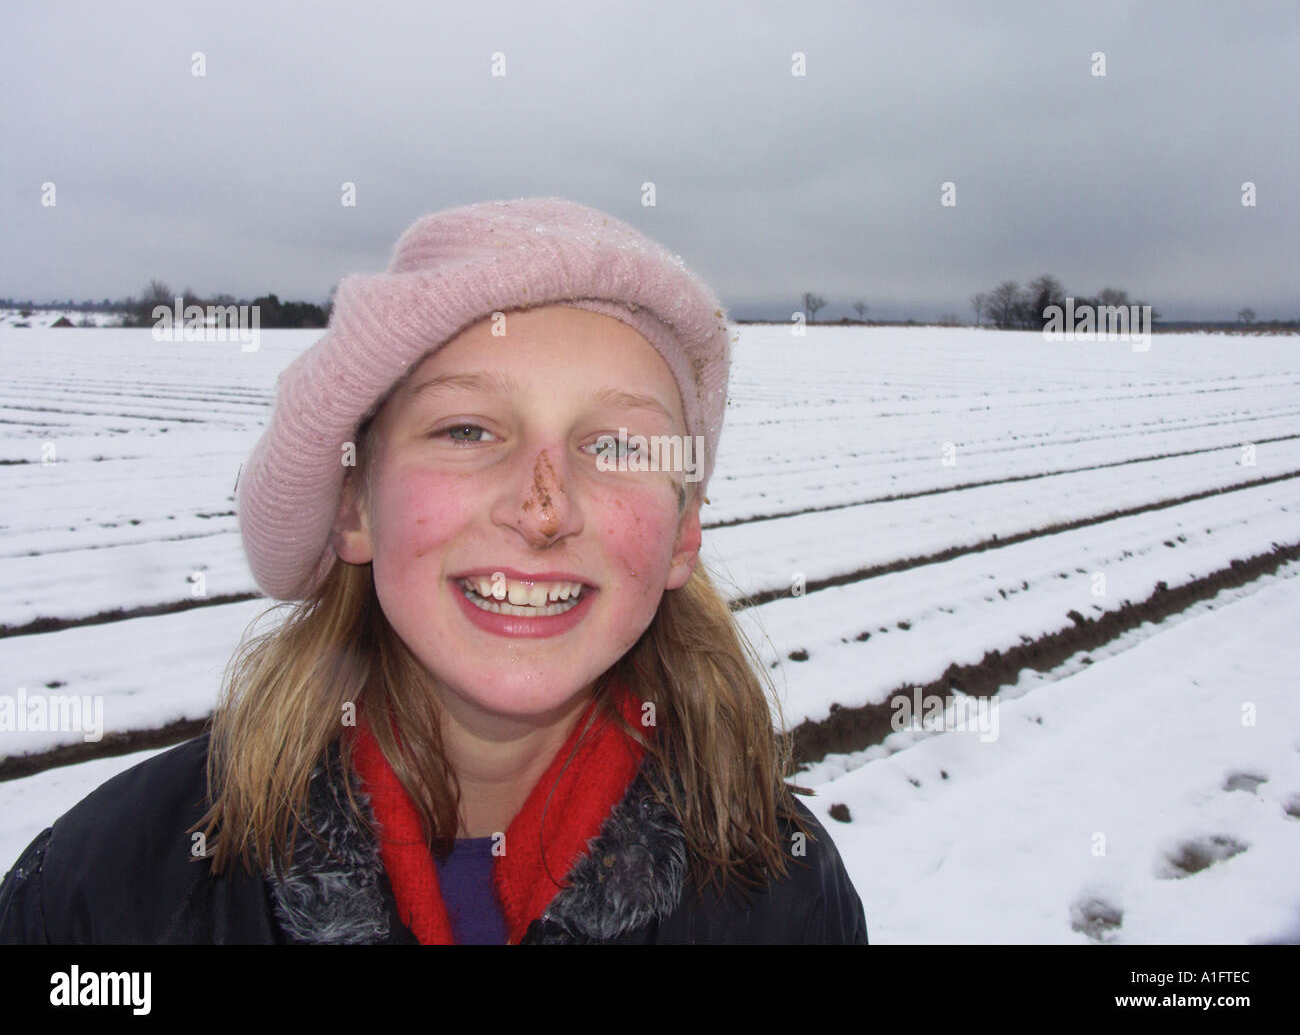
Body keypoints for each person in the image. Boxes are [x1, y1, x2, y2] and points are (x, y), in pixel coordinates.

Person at [0, 197, 868, 944]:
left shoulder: (782, 894)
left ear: (683, 533)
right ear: (355, 507)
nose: (541, 506)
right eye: (466, 430)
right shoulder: (116, 886)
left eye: (615, 445)